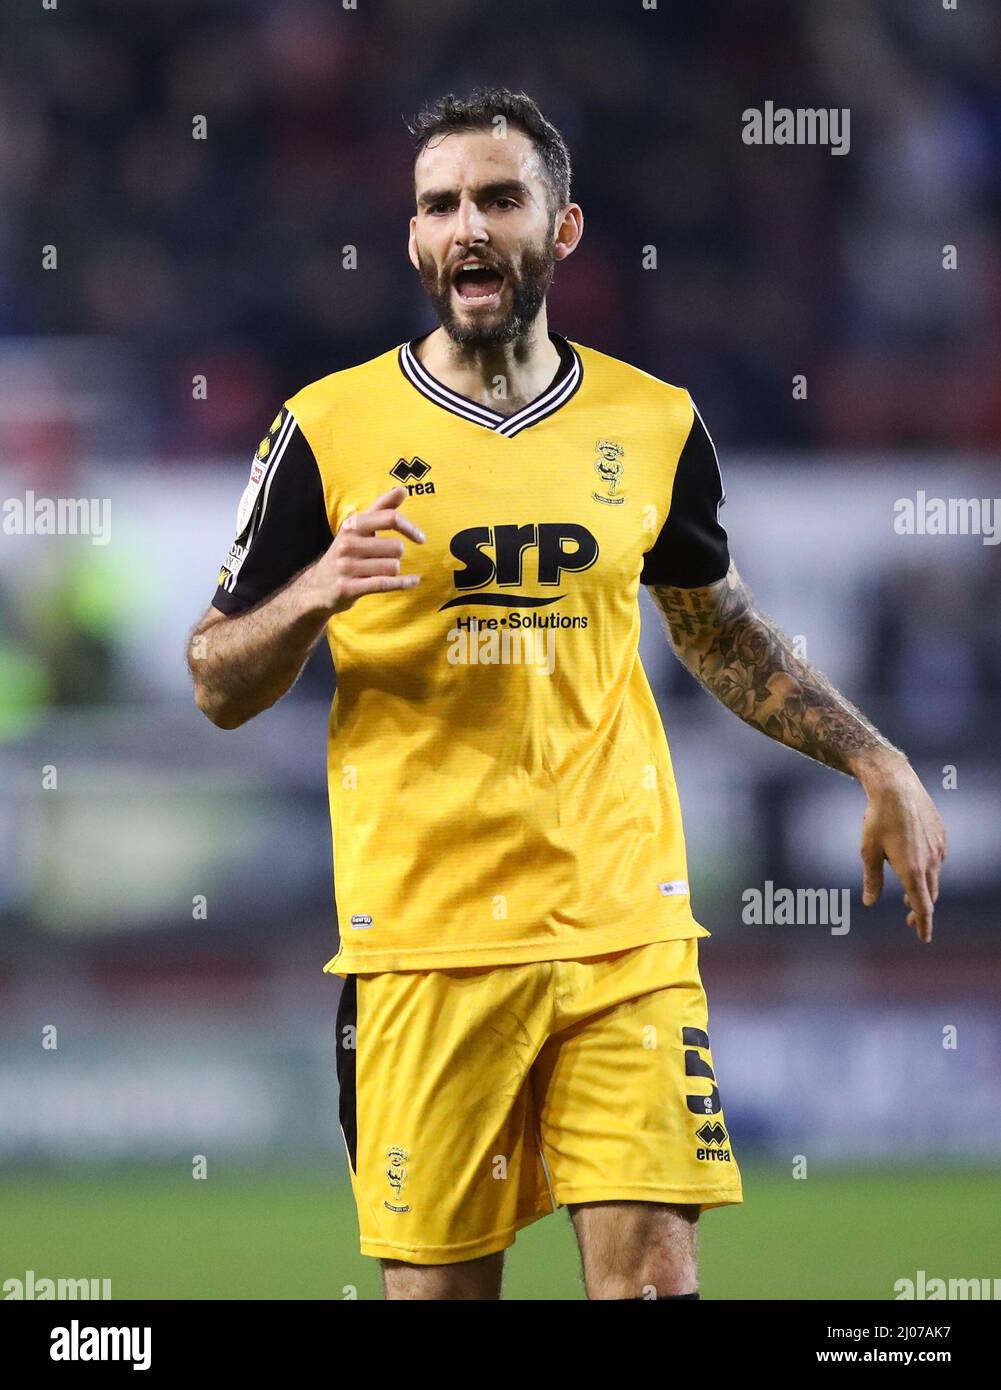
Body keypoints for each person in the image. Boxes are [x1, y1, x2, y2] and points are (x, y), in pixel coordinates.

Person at [187, 87, 946, 1301]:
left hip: (622, 927)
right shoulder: (324, 428)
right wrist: (312, 594)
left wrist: (873, 757)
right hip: (423, 943)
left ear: (564, 229)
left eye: (498, 198)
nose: (466, 227)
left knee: (650, 1278)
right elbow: (216, 678)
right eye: (439, 205)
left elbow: (722, 629)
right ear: (414, 238)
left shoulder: (651, 421)